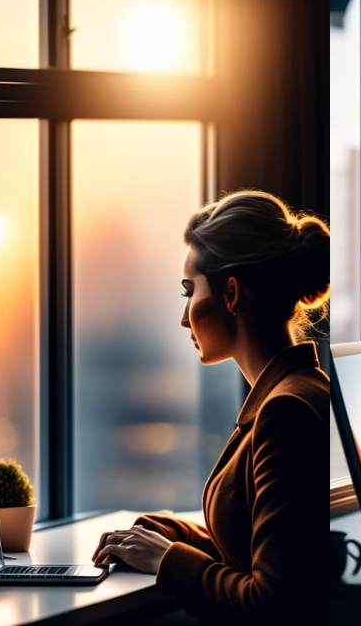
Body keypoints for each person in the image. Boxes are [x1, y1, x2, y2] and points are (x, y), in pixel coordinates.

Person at [90, 190, 332, 623]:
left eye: (190, 290)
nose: (185, 317)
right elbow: (253, 545)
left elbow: (273, 603)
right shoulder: (306, 388)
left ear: (231, 293)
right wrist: (169, 535)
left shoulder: (284, 412)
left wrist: (168, 561)